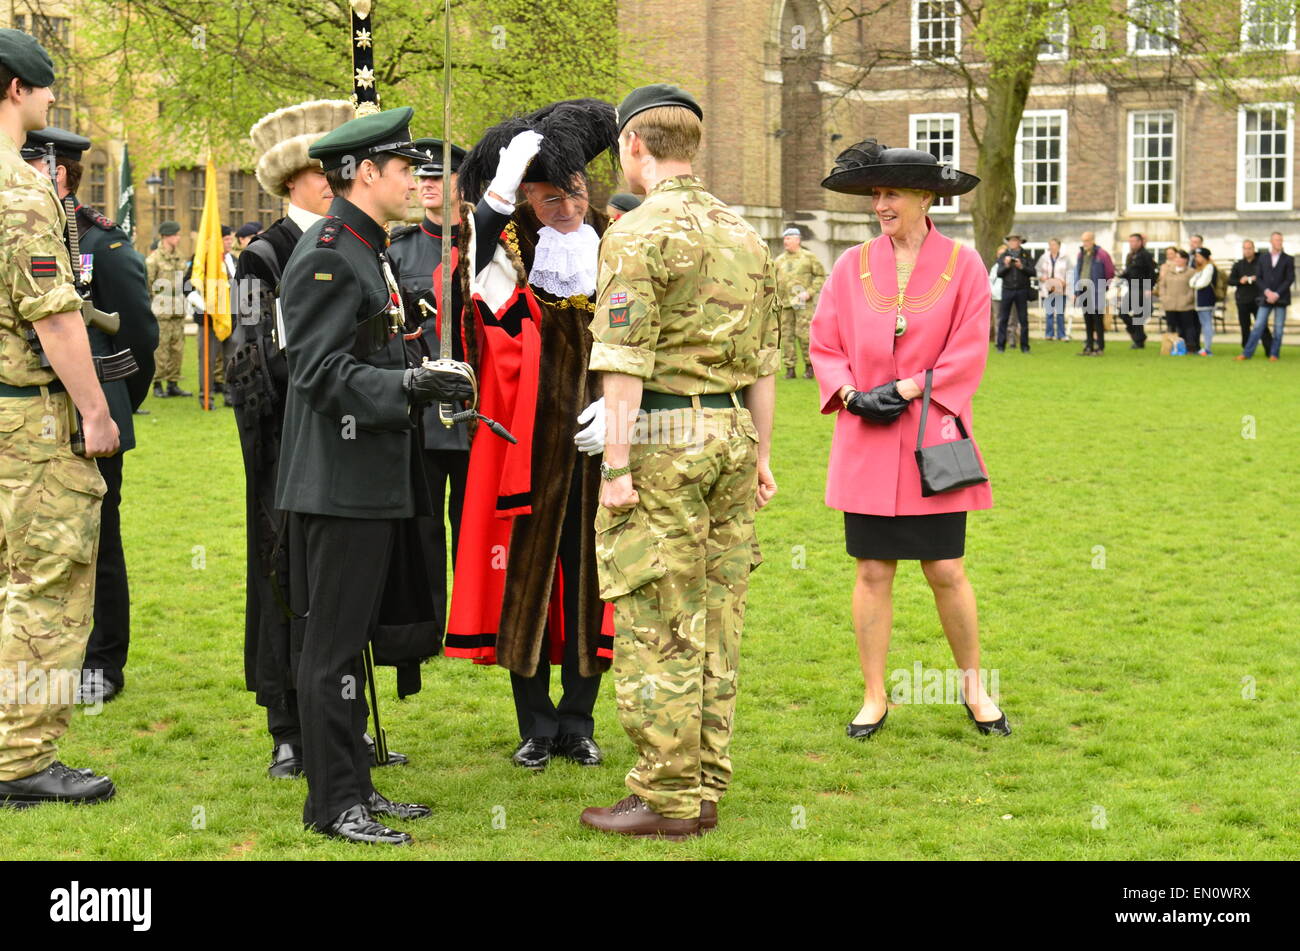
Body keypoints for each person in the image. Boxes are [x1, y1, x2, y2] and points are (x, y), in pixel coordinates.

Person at [578, 84, 778, 840]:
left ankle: (666, 793)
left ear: (634, 146)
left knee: (659, 613)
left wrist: (618, 465)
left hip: (662, 439)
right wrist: (762, 454)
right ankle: (702, 782)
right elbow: (763, 362)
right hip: (730, 433)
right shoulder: (744, 232)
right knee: (719, 616)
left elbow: (623, 360)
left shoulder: (636, 233)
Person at [274, 106, 457, 845]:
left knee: (352, 647)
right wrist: (409, 390)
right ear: (366, 173)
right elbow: (316, 373)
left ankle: (357, 785)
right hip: (338, 481)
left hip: (371, 474)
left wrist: (421, 364)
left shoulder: (367, 246)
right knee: (331, 649)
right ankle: (332, 804)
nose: (417, 180)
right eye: (406, 169)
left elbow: (370, 347)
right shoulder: (326, 251)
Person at [807, 137, 1008, 746]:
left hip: (932, 439)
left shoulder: (966, 264)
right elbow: (825, 342)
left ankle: (974, 689)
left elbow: (970, 348)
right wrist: (848, 393)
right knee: (872, 569)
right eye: (876, 193)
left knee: (945, 568)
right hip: (865, 439)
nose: (881, 204)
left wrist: (911, 389)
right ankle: (874, 696)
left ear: (927, 197)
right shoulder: (850, 265)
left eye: (893, 192)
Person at [231, 98, 408, 779]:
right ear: (296, 180)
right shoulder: (266, 255)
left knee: (339, 607)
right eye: (312, 170)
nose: (322, 180)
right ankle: (287, 725)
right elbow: (250, 359)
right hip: (288, 442)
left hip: (348, 437)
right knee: (286, 591)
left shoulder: (362, 245)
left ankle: (344, 740)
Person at [446, 100, 620, 772]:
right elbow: (479, 281)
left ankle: (579, 719)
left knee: (592, 580)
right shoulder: (509, 244)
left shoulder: (616, 239)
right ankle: (534, 722)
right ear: (526, 194)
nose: (569, 205)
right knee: (526, 577)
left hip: (600, 442)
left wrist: (616, 415)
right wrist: (503, 182)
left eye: (575, 189)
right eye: (551, 195)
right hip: (528, 445)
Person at [0, 27, 121, 808]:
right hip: (32, 423)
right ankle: (21, 760)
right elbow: (54, 317)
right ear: (15, 89)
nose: (50, 99)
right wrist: (97, 412)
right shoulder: (18, 189)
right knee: (47, 587)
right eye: (44, 86)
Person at [21, 126, 158, 706]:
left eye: (31, 166)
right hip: (25, 413)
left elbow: (137, 336)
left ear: (59, 173)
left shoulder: (101, 243)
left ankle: (101, 661)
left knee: (98, 540)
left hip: (88, 414)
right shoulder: (21, 232)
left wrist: (114, 404)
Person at [386, 137, 473, 654]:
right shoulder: (398, 250)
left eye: (439, 177)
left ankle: (473, 620)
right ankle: (426, 626)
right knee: (421, 527)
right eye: (421, 177)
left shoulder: (492, 246)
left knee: (473, 522)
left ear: (463, 183)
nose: (427, 185)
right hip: (420, 412)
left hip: (477, 411)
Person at [186, 224, 237, 408]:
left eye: (231, 238)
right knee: (207, 360)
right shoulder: (203, 260)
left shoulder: (233, 259)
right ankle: (206, 397)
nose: (230, 242)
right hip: (209, 319)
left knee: (232, 359)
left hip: (230, 318)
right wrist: (206, 306)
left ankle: (231, 395)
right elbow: (188, 287)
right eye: (226, 239)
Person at [773, 226, 827, 377]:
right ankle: (790, 369)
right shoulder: (779, 260)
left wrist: (809, 292)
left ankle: (810, 367)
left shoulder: (809, 257)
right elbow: (772, 281)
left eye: (789, 238)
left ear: (797, 240)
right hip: (785, 304)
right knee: (787, 337)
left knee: (805, 335)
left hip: (803, 304)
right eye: (785, 239)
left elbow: (820, 276)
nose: (786, 241)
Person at [146, 220, 190, 398]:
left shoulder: (180, 257)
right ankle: (158, 384)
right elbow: (148, 284)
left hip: (178, 310)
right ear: (165, 236)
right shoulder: (153, 259)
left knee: (177, 349)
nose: (178, 238)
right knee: (160, 349)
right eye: (175, 235)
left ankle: (173, 383)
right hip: (161, 311)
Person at [1238, 231, 1292, 361]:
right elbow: (1259, 277)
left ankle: (1274, 354)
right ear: (1271, 242)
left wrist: (1277, 294)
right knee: (1258, 326)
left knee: (1278, 328)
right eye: (1276, 240)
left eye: (1280, 240)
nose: (1279, 242)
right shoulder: (1263, 258)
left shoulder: (1288, 259)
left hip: (1281, 298)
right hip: (1265, 298)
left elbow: (1289, 279)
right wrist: (1267, 292)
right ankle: (1247, 353)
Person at [1228, 240, 1272, 353]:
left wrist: (1256, 278)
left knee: (1262, 326)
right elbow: (1230, 281)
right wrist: (1240, 281)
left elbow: (1267, 277)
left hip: (1258, 299)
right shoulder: (1238, 265)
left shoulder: (1260, 263)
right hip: (1243, 300)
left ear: (1253, 249)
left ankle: (1269, 349)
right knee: (1244, 326)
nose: (1247, 251)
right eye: (1245, 248)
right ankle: (1247, 350)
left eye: (1249, 248)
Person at [1074, 231, 1114, 356]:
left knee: (1097, 321)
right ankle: (1089, 346)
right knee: (1088, 321)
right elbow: (1078, 272)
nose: (1084, 243)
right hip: (1084, 290)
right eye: (1083, 241)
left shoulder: (1102, 254)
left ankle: (1100, 347)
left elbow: (1110, 272)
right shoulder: (1081, 254)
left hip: (1097, 291)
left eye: (1086, 240)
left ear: (1092, 240)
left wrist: (1103, 287)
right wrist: (1077, 291)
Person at [995, 232, 1034, 353]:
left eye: (1014, 241)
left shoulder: (1026, 255)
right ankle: (1001, 346)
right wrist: (1006, 265)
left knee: (1023, 319)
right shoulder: (1004, 256)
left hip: (1022, 290)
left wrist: (1021, 266)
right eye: (1010, 241)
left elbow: (1033, 272)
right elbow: (999, 273)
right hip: (1007, 290)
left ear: (1019, 242)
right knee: (1003, 319)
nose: (1012, 243)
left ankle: (1024, 346)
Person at [1117, 232, 1155, 349]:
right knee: (1123, 313)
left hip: (1142, 288)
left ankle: (1139, 341)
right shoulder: (1131, 256)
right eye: (1130, 242)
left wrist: (1149, 288)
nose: (1132, 244)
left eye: (1134, 241)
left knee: (1138, 315)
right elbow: (1130, 272)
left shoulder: (1146, 255)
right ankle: (1138, 334)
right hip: (1131, 287)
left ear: (1140, 242)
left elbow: (1152, 272)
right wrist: (1122, 275)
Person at [1156, 248, 1196, 354]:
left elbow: (1193, 287)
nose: (1177, 260)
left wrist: (1188, 299)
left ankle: (1190, 346)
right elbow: (1162, 285)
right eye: (1176, 257)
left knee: (1187, 327)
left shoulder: (1191, 272)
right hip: (1170, 304)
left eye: (1180, 257)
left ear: (1186, 260)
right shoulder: (1169, 271)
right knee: (1171, 326)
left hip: (1185, 305)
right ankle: (1170, 347)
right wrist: (1163, 297)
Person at [1036, 237, 1070, 340]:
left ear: (1059, 246)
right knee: (1049, 313)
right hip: (1048, 288)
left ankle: (1061, 334)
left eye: (1054, 245)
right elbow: (1038, 270)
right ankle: (1049, 334)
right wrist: (1041, 277)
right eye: (1050, 245)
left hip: (1060, 288)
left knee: (1060, 313)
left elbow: (1070, 272)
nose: (1052, 247)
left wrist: (1065, 282)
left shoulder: (1065, 258)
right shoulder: (1044, 258)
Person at [1189, 247, 1217, 356]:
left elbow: (1202, 283)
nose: (1196, 259)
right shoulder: (1200, 269)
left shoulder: (1209, 268)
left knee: (1206, 324)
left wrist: (1194, 284)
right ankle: (1205, 347)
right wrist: (1194, 283)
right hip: (1199, 300)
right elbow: (1191, 282)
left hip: (1206, 300)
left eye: (1199, 256)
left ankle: (1207, 348)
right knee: (1203, 323)